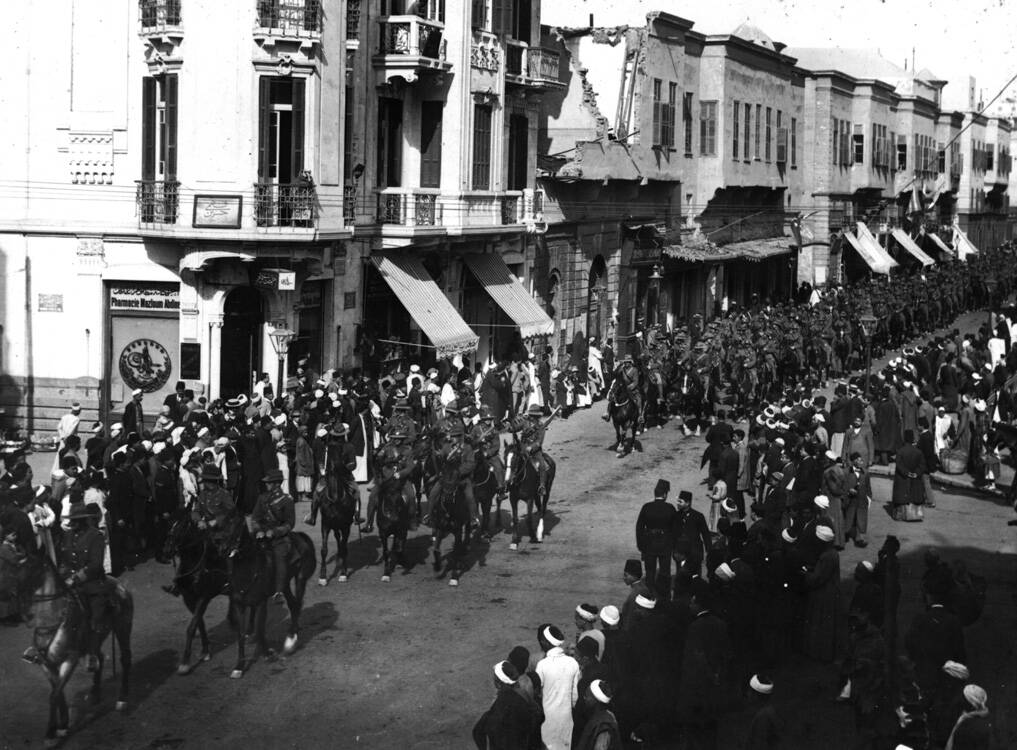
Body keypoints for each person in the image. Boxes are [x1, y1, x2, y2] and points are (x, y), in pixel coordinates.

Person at [57, 498, 109, 671]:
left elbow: (95, 565)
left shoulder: (96, 536)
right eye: (71, 520)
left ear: (83, 521)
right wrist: (63, 573)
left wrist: (76, 578)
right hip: (71, 584)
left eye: (75, 521)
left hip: (92, 584)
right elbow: (65, 559)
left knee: (95, 617)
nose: (72, 524)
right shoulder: (69, 535)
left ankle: (93, 653)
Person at [472, 661, 540, 750]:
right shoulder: (523, 694)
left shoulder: (500, 703)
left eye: (495, 678)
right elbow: (537, 714)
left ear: (498, 683)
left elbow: (478, 732)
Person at [535, 624, 581, 750]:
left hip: (547, 719)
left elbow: (537, 693)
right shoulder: (572, 663)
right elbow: (575, 696)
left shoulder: (542, 665)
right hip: (566, 718)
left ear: (545, 643)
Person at [250, 468, 295, 597]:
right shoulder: (262, 498)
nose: (266, 484)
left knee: (279, 557)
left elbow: (289, 524)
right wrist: (258, 530)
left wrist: (274, 532)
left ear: (276, 484)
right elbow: (255, 518)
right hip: (261, 536)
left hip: (279, 538)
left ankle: (279, 590)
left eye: (269, 482)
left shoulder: (287, 500)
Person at [635, 479, 677, 598]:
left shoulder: (646, 507)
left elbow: (639, 528)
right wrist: (673, 545)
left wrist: (641, 546)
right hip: (665, 545)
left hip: (649, 544)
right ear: (664, 494)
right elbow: (675, 529)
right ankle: (665, 597)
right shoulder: (670, 508)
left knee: (650, 573)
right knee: (665, 572)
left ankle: (649, 597)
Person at [573, 680, 623, 750]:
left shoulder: (604, 724)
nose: (584, 697)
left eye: (587, 695)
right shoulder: (598, 718)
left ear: (595, 701)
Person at [672, 489, 711, 578]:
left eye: (680, 501)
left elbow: (705, 534)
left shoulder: (698, 516)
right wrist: (673, 550)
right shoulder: (676, 516)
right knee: (681, 577)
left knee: (695, 577)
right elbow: (673, 534)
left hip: (694, 552)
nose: (677, 503)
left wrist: (709, 550)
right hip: (680, 553)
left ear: (688, 503)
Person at [944, 684, 991, 750]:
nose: (959, 700)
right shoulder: (970, 718)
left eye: (963, 698)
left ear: (970, 703)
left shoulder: (969, 724)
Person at [745, 674, 782, 750]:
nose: (748, 694)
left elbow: (759, 745)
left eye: (750, 691)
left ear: (756, 695)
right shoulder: (769, 712)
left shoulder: (763, 717)